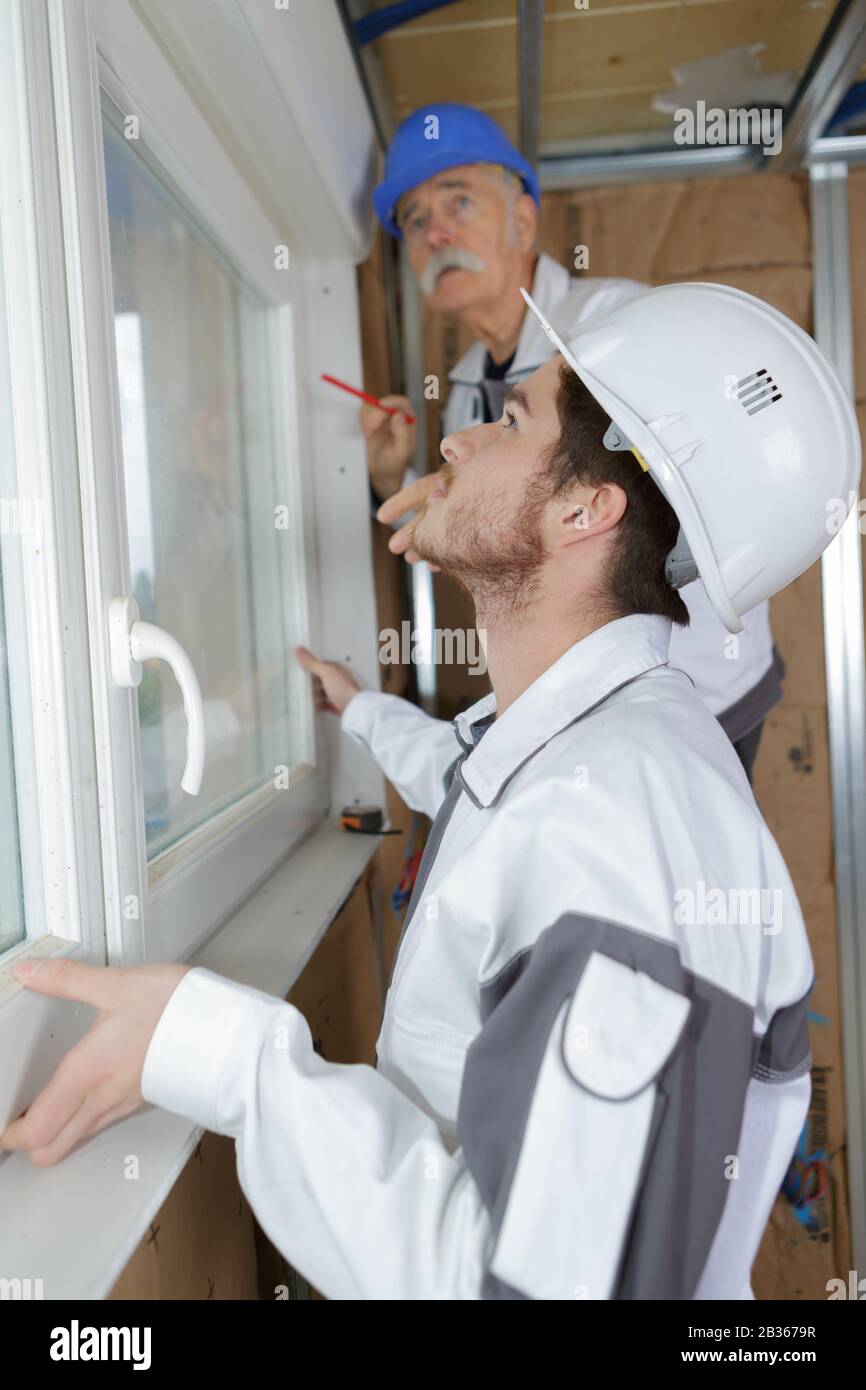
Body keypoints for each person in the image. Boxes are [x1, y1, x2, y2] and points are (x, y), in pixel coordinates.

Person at [1, 282, 858, 1300]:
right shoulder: (594, 736)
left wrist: (218, 1051)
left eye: (508, 421)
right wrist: (357, 711)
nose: (452, 445)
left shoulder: (612, 825)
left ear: (587, 507)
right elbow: (474, 780)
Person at [364, 103, 783, 781]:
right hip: (583, 713)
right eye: (413, 220)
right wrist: (394, 479)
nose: (434, 231)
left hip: (699, 694)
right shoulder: (469, 381)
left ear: (523, 218)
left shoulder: (619, 325)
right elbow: (489, 518)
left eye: (458, 200)